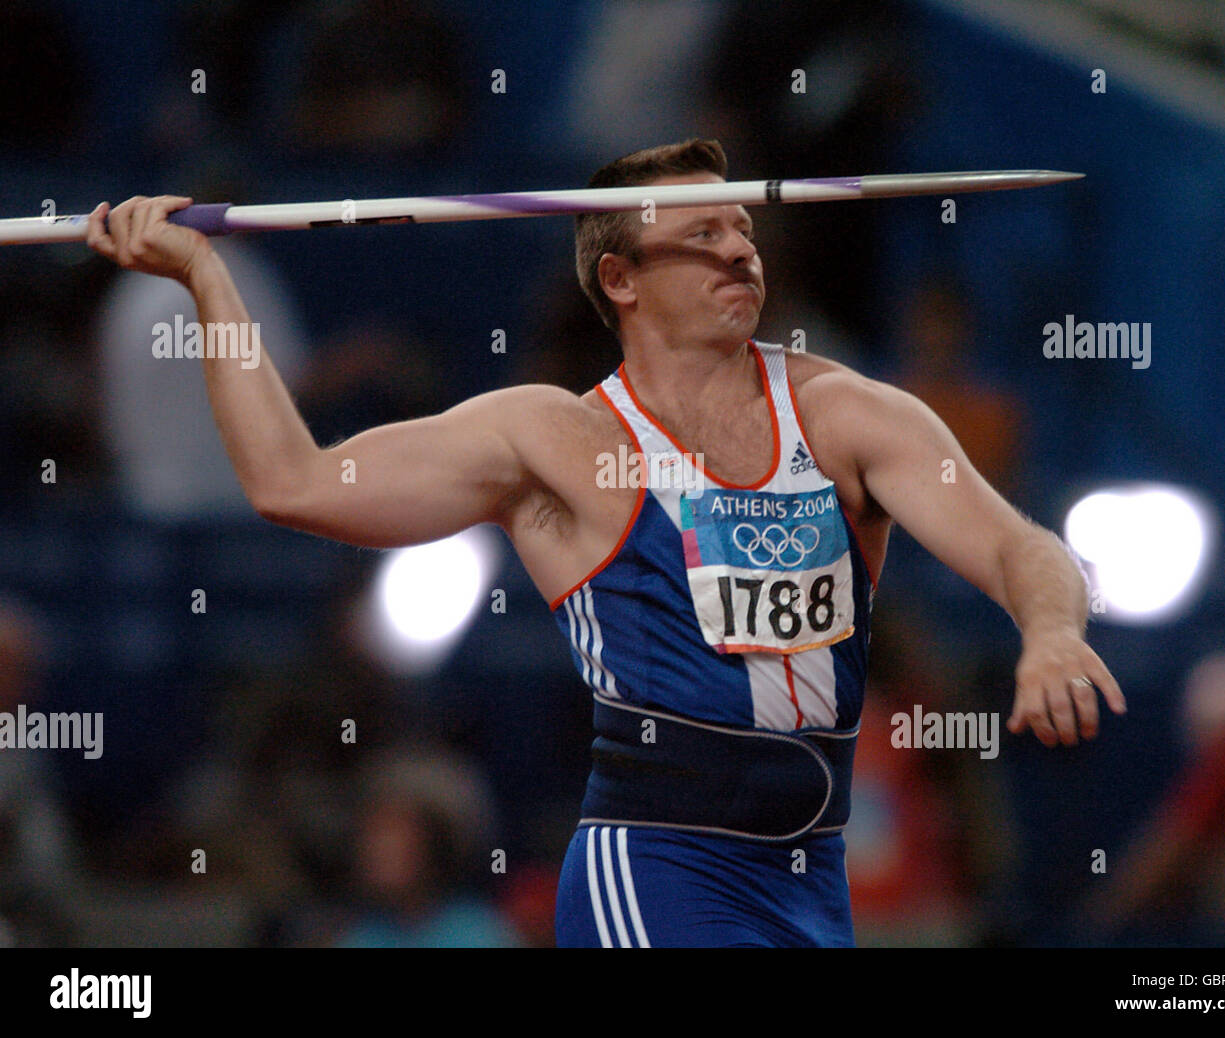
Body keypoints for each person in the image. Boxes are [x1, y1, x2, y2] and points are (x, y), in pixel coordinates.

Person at [85, 137, 1125, 948]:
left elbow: (1015, 546)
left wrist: (1050, 631)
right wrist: (205, 282)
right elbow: (293, 482)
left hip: (810, 874)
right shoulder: (555, 439)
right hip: (658, 866)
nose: (738, 250)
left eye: (742, 231)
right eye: (703, 235)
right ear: (621, 280)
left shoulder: (849, 418)